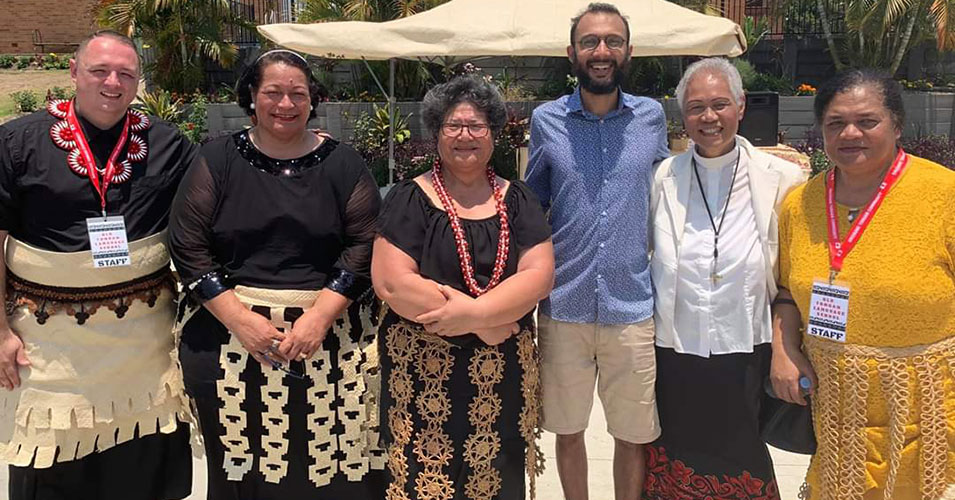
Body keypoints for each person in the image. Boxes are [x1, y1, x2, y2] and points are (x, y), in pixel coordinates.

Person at [168, 49, 385, 499]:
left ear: (313, 100)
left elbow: (364, 244)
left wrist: (318, 318)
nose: (285, 104)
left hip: (330, 336)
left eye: (297, 94)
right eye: (273, 92)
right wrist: (241, 321)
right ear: (251, 95)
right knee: (242, 472)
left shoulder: (344, 164)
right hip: (231, 338)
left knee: (334, 472)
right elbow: (188, 244)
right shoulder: (217, 159)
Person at [0, 30, 198, 500]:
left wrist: (307, 153)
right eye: (99, 71)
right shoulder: (16, 141)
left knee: (143, 474)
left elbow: (219, 203)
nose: (113, 82)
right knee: (52, 471)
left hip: (143, 349)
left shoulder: (166, 143)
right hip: (48, 347)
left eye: (126, 74)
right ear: (73, 73)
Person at [771, 69, 955, 500]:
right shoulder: (801, 204)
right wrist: (784, 349)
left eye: (867, 121)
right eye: (836, 123)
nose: (850, 133)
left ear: (897, 124)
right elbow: (785, 292)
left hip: (921, 397)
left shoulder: (943, 194)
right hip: (835, 397)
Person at [372, 75, 554, 500]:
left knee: (497, 474)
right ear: (436, 133)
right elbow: (392, 282)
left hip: (501, 376)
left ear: (493, 135)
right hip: (421, 379)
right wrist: (486, 322)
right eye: (453, 126)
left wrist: (473, 316)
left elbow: (538, 275)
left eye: (477, 126)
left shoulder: (519, 200)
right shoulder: (409, 197)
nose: (465, 136)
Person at [524, 3, 669, 499]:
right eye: (590, 42)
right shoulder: (546, 121)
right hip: (565, 305)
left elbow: (670, 187)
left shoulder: (651, 117)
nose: (601, 51)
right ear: (572, 53)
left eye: (612, 41)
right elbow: (532, 205)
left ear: (628, 51)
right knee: (569, 429)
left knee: (631, 434)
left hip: (632, 305)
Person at [643, 57, 805, 499]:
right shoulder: (663, 177)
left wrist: (787, 345)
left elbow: (793, 273)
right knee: (674, 456)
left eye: (719, 104)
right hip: (676, 349)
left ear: (740, 106)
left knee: (743, 453)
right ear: (683, 116)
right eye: (696, 107)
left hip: (747, 348)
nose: (708, 117)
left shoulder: (783, 180)